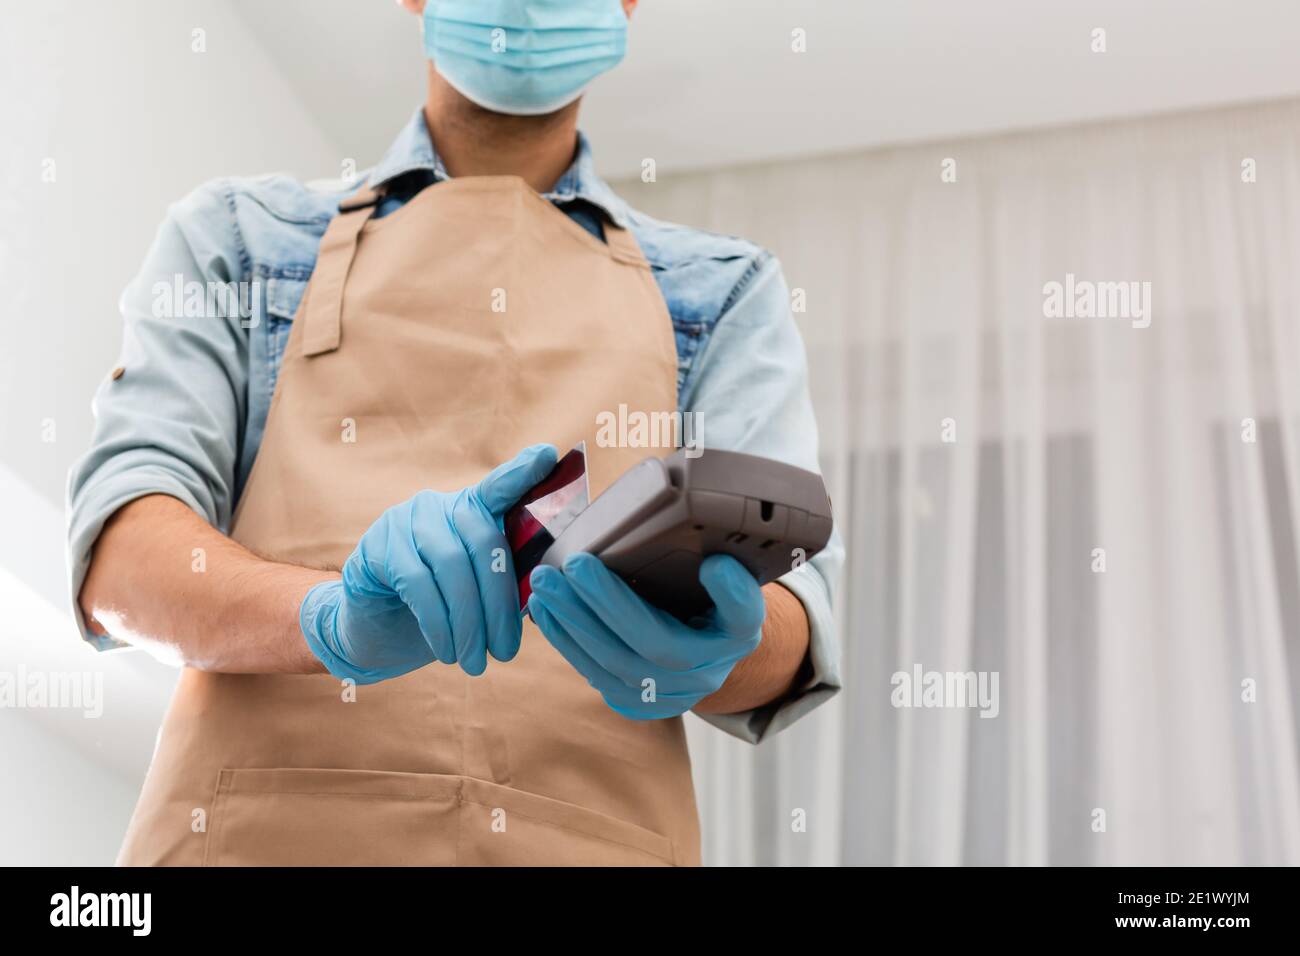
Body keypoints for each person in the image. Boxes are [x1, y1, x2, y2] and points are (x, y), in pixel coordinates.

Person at [68, 0, 842, 866]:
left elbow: (794, 612)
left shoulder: (723, 293)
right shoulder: (241, 241)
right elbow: (120, 558)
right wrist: (327, 618)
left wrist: (724, 644)